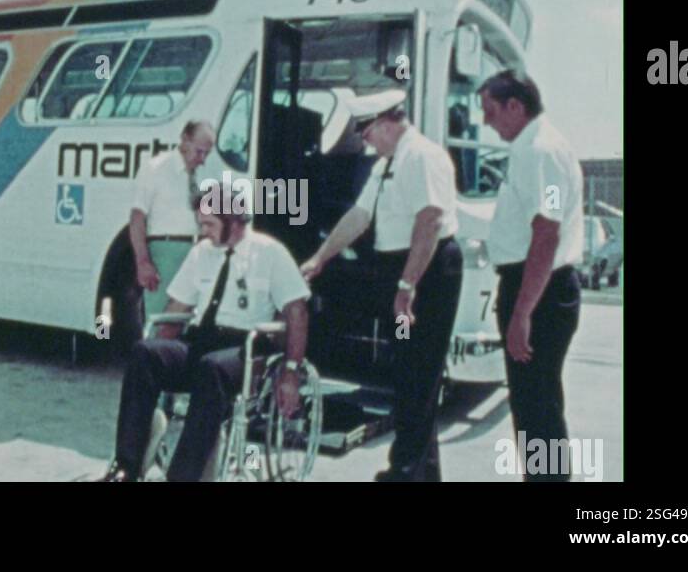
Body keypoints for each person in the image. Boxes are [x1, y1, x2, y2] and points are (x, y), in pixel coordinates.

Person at [301, 89, 462, 482]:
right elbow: (360, 215)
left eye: (367, 132)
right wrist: (320, 258)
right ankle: (423, 471)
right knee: (409, 370)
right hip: (402, 272)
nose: (365, 141)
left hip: (426, 274)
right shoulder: (386, 164)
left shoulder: (422, 156)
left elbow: (430, 220)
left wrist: (407, 286)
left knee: (418, 371)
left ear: (389, 122)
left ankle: (405, 471)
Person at [98, 184, 311, 482]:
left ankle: (182, 477)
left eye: (209, 224)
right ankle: (126, 468)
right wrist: (159, 355)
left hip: (245, 347)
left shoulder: (270, 253)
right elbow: (176, 310)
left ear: (234, 221)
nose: (203, 231)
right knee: (143, 353)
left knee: (211, 370)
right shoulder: (202, 253)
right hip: (201, 340)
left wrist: (291, 371)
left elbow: (297, 312)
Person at [478, 69, 584, 482]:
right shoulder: (541, 146)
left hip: (538, 291)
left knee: (536, 408)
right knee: (536, 405)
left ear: (515, 106)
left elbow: (546, 233)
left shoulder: (538, 151)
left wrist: (523, 312)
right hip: (541, 288)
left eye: (490, 111)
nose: (487, 121)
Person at [130, 120, 215, 319]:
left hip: (199, 253)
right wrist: (142, 262)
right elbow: (137, 218)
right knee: (161, 317)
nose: (202, 159)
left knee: (191, 319)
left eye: (207, 154)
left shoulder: (204, 174)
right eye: (199, 151)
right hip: (165, 254)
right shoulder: (155, 168)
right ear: (184, 140)